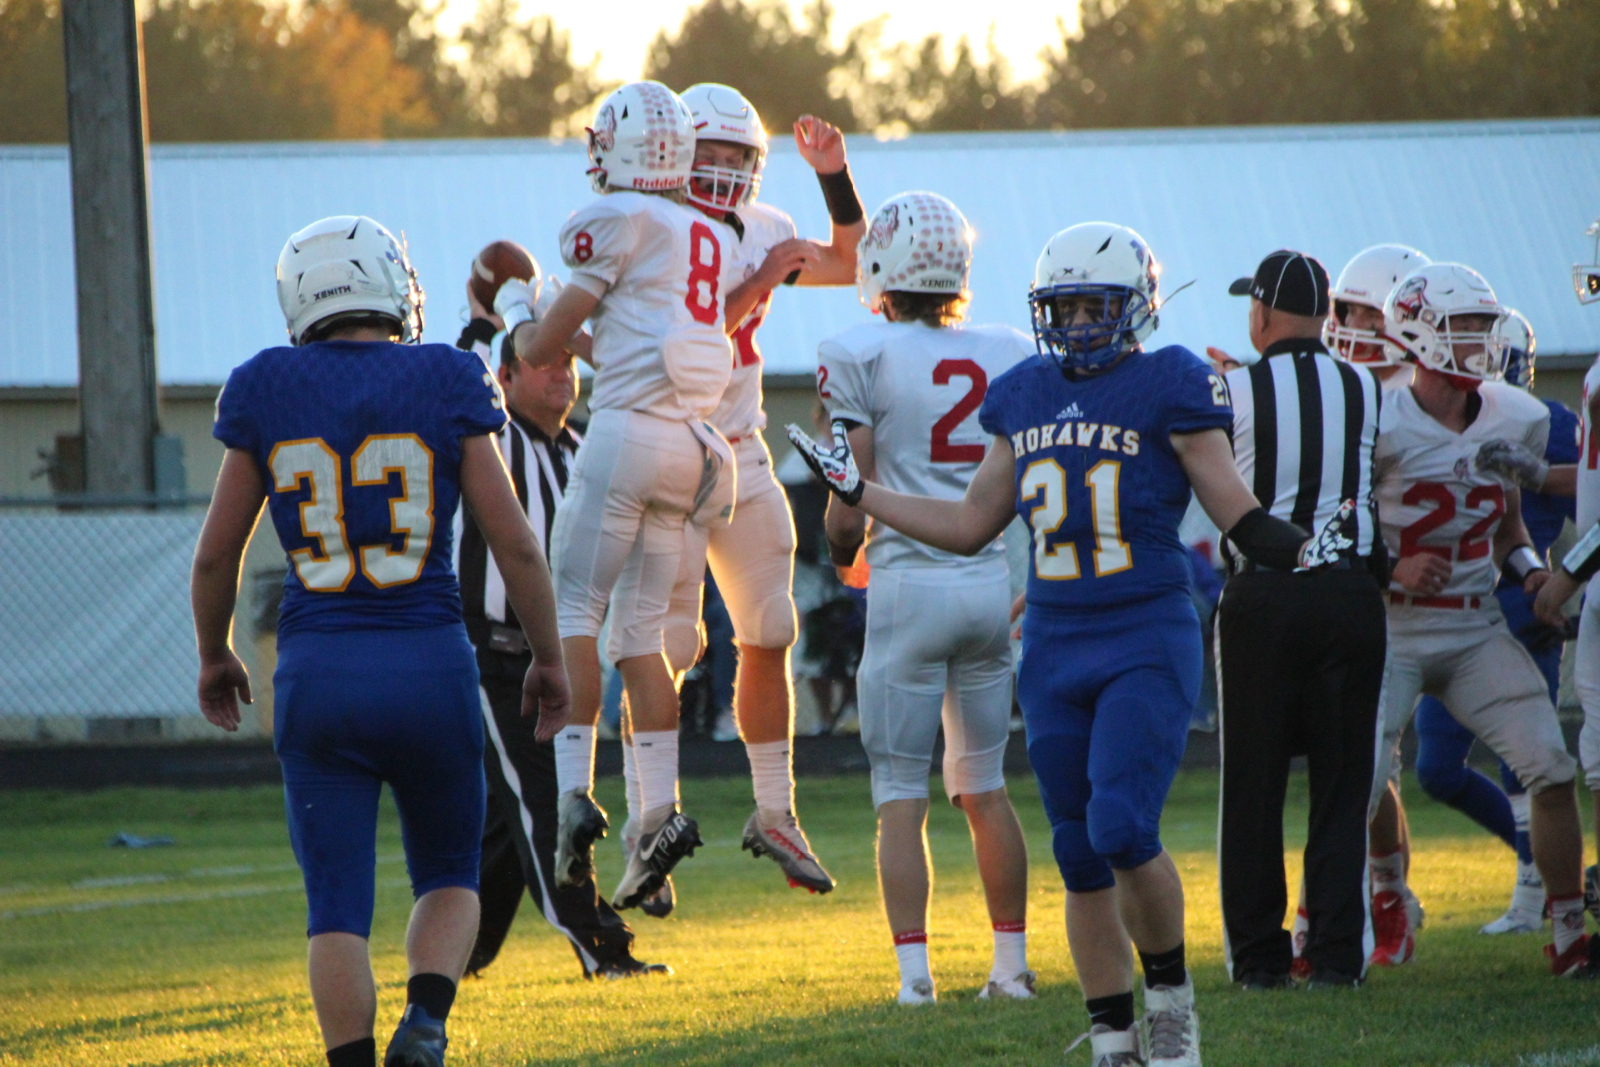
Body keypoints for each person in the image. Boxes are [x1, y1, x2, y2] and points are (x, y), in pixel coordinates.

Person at [789, 221, 1355, 1067]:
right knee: (1079, 850)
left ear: (1137, 307)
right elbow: (972, 522)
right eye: (1066, 305)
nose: (1081, 321)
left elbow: (1236, 513)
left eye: (1097, 304)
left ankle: (1170, 1001)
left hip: (1142, 632)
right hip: (1053, 642)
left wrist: (1302, 545)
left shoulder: (1171, 381)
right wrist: (863, 494)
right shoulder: (1023, 390)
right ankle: (1113, 1037)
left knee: (1125, 825)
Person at [191, 215, 570, 1067]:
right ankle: (427, 1020)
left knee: (334, 906)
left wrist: (215, 651)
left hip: (318, 671)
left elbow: (218, 549)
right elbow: (513, 538)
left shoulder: (264, 385)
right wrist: (549, 657)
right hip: (429, 659)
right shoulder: (445, 374)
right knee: (449, 873)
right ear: (392, 287)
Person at [607, 85, 866, 910]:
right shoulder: (648, 230)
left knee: (772, 626)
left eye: (735, 158)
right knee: (668, 645)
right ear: (675, 155)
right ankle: (649, 822)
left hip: (742, 447)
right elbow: (691, 331)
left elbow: (851, 262)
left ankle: (775, 811)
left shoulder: (764, 224)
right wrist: (760, 280)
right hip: (668, 448)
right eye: (707, 154)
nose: (721, 171)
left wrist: (835, 178)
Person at [508, 80, 745, 912]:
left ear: (614, 146)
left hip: (625, 436)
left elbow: (542, 349)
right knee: (641, 639)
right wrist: (566, 325)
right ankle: (656, 817)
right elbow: (627, 343)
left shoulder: (615, 218)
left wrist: (520, 311)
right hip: (693, 446)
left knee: (576, 608)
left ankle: (576, 793)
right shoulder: (702, 229)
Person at [815, 192, 1035, 1005]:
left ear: (882, 266)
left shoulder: (858, 349)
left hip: (907, 584)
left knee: (900, 795)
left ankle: (916, 980)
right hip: (985, 586)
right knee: (984, 785)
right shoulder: (1010, 348)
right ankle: (1009, 968)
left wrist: (843, 552)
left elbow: (852, 493)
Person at [1370, 261, 1591, 978]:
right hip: (1393, 627)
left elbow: (1509, 529)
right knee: (1364, 777)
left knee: (1551, 768)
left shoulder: (1518, 415)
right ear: (1415, 329)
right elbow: (1345, 525)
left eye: (1479, 325)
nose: (1475, 340)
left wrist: (1531, 574)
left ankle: (1565, 928)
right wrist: (1390, 566)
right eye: (1460, 325)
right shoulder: (1378, 416)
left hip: (1472, 626)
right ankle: (1387, 898)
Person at [451, 273, 665, 980]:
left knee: (508, 825)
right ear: (505, 376)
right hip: (497, 654)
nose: (561, 374)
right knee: (549, 804)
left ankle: (460, 951)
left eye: (567, 362)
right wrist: (494, 308)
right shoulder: (489, 434)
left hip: (564, 659)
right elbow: (466, 370)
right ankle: (604, 948)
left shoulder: (582, 449)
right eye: (542, 361)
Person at [1214, 250, 1388, 990]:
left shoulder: (1234, 388)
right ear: (1323, 317)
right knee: (1342, 787)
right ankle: (1339, 957)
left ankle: (1259, 959)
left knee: (1253, 789)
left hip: (1267, 592)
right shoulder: (1365, 386)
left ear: (1259, 313)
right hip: (1351, 596)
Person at [1411, 310, 1573, 937]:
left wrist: (1533, 475)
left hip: (1522, 596)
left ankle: (1540, 894)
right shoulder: (1424, 414)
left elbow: (1584, 488)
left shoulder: (1545, 420)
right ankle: (1545, 868)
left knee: (1528, 763)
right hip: (1448, 602)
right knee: (1435, 768)